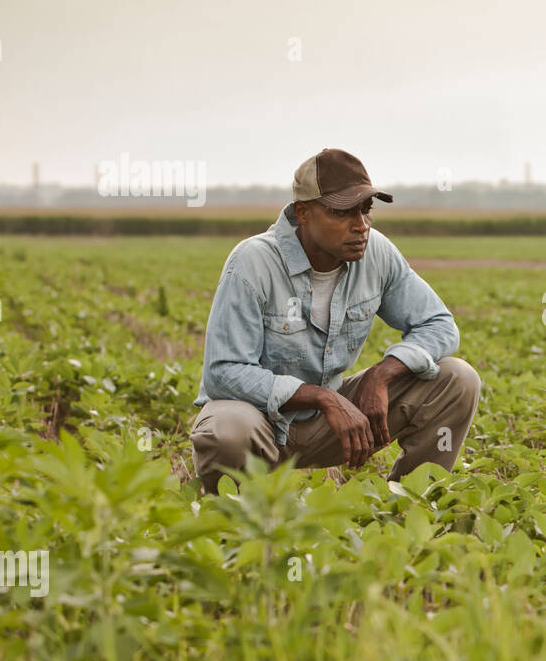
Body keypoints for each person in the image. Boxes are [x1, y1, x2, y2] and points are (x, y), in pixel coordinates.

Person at [188, 148, 480, 494]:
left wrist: (382, 374)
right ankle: (236, 520)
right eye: (342, 212)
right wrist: (322, 397)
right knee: (226, 429)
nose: (361, 225)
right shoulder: (253, 262)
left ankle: (406, 505)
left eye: (365, 209)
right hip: (261, 424)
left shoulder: (377, 253)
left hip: (333, 425)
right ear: (303, 213)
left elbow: (439, 324)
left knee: (457, 379)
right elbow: (224, 372)